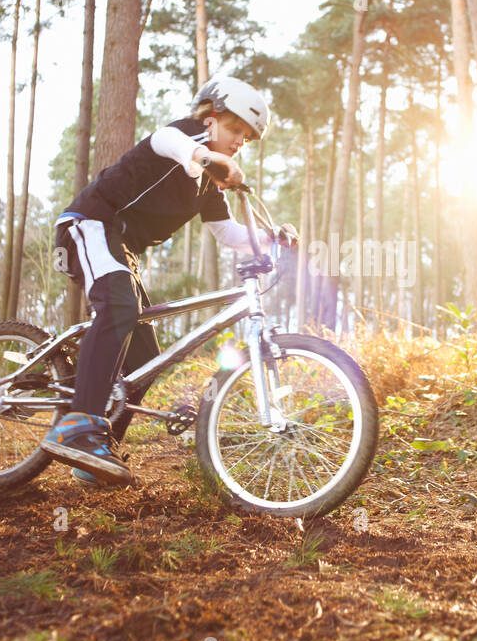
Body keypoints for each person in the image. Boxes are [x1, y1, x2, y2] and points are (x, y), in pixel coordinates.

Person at [43, 76, 296, 487]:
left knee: (144, 359)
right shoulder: (185, 137)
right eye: (234, 130)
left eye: (247, 139)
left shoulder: (207, 185)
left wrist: (274, 242)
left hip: (121, 248)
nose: (239, 142)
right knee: (121, 305)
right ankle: (78, 427)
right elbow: (165, 140)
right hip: (91, 223)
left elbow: (227, 232)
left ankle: (93, 455)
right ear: (210, 120)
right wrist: (206, 156)